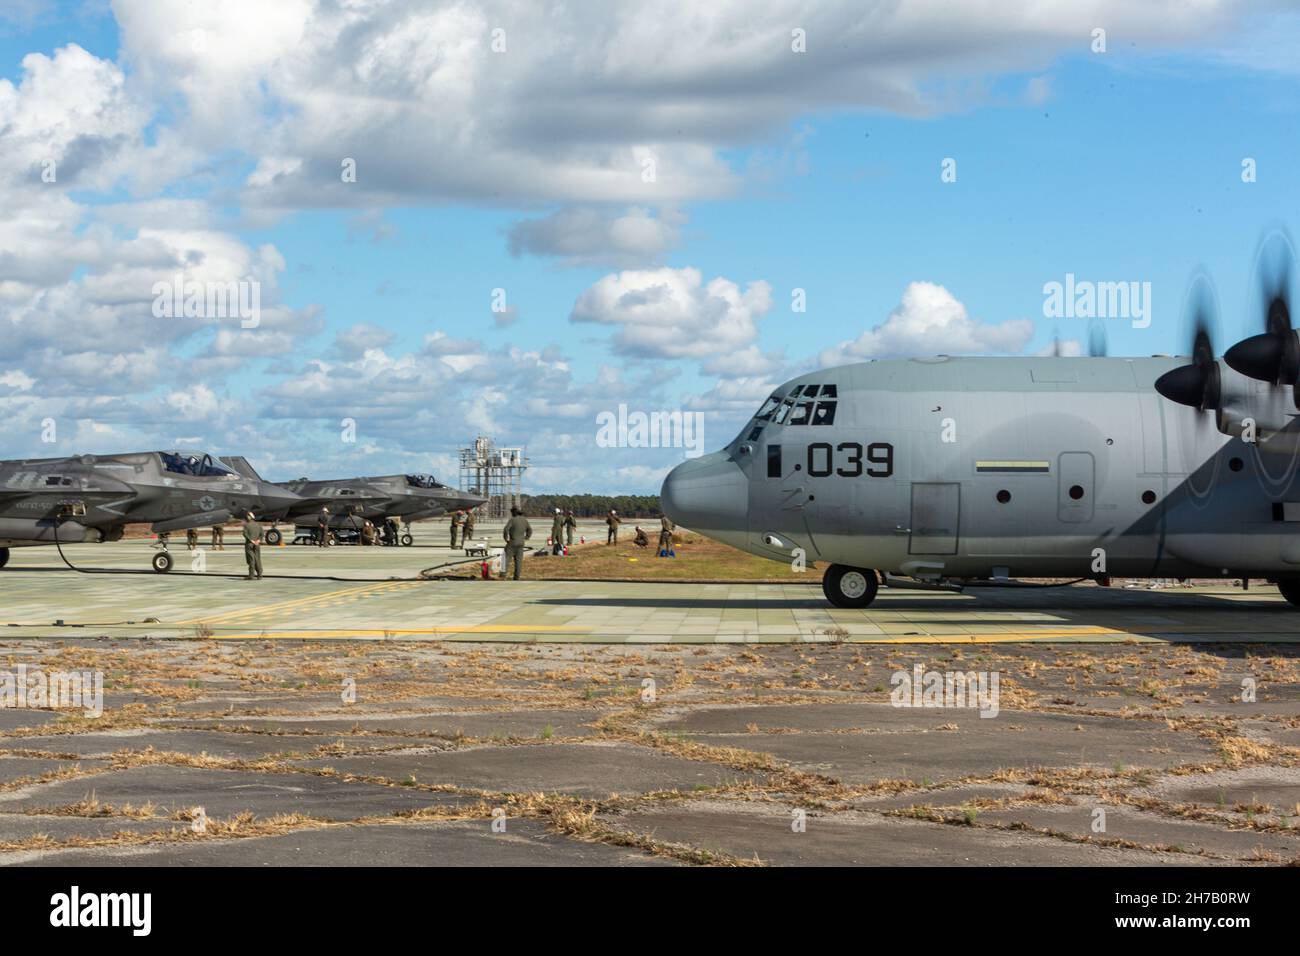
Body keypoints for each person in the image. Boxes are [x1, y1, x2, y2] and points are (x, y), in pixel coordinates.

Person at [501, 506, 532, 580]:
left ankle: (503, 575)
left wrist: (506, 538)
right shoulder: (525, 520)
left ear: (514, 512)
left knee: (505, 559)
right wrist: (526, 537)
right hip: (521, 543)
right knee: (518, 561)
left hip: (512, 542)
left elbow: (506, 529)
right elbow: (530, 530)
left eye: (512, 512)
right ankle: (517, 577)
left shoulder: (512, 520)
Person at [242, 512, 264, 580]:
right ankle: (259, 575)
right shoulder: (258, 525)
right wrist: (258, 541)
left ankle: (251, 575)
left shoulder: (247, 525)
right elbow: (262, 534)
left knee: (251, 560)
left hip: (249, 544)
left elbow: (245, 534)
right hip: (257, 544)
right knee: (257, 559)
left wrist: (251, 540)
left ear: (249, 517)